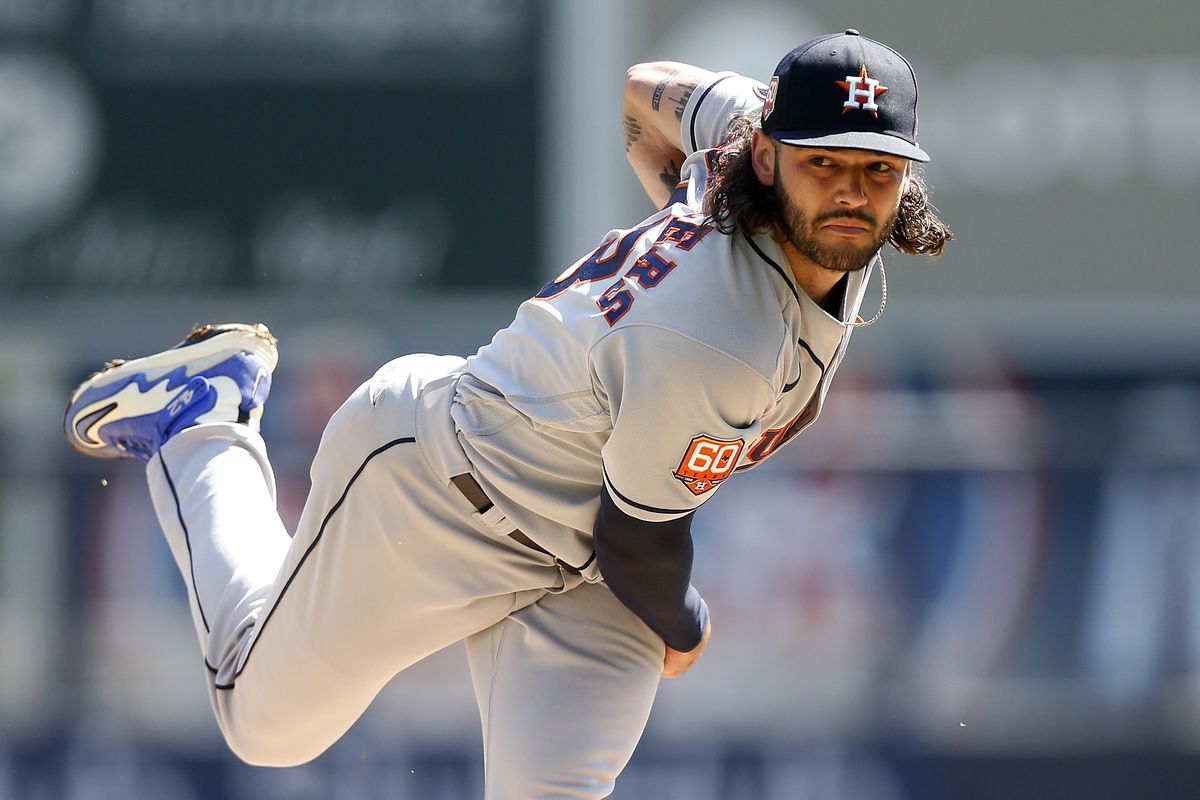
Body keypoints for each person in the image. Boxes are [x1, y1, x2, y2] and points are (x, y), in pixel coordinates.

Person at [64, 30, 950, 799]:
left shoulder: (736, 140)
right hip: (443, 494)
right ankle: (202, 420)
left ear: (907, 175)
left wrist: (679, 224)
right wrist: (687, 625)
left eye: (875, 169)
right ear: (768, 155)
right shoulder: (721, 340)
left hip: (586, 551)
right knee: (268, 729)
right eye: (820, 161)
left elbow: (647, 85)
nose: (847, 191)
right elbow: (639, 544)